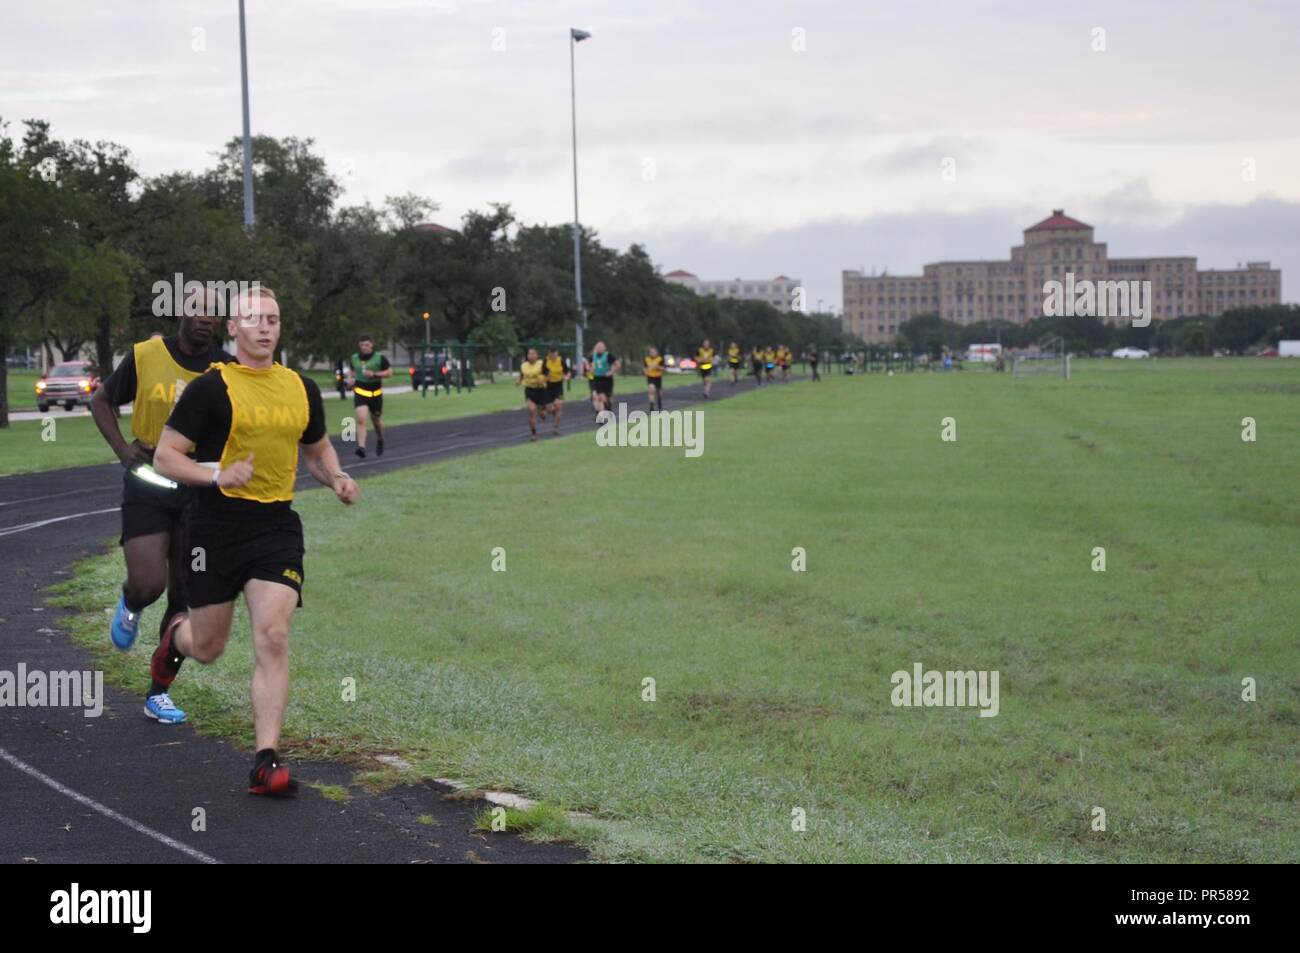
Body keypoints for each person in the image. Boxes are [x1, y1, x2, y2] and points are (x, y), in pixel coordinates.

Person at [152, 285, 360, 796]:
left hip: (274, 527)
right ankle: (174, 639)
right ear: (234, 328)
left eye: (273, 317)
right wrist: (218, 474)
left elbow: (316, 448)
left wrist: (335, 477)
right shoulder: (210, 389)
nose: (265, 326)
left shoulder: (301, 388)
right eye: (254, 318)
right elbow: (165, 458)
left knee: (273, 635)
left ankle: (266, 761)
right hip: (215, 529)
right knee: (209, 647)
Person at [89, 294, 233, 725]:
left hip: (201, 491)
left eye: (213, 313)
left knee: (185, 595)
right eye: (197, 310)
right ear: (181, 312)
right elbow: (100, 401)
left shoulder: (227, 369)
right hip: (149, 483)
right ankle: (131, 602)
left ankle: (158, 693)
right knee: (149, 583)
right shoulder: (146, 355)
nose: (204, 319)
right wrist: (121, 449)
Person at [347, 335, 391, 458]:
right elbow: (351, 371)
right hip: (360, 392)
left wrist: (374, 374)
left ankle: (380, 439)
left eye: (366, 345)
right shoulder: (354, 358)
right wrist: (350, 379)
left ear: (371, 344)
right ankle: (361, 447)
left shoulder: (379, 358)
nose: (364, 347)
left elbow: (389, 372)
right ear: (359, 346)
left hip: (375, 394)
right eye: (362, 345)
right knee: (361, 419)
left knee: (376, 420)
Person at [516, 347, 549, 441]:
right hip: (530, 390)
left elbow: (548, 376)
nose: (531, 356)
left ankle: (542, 411)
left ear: (537, 355)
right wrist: (518, 381)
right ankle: (534, 433)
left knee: (542, 413)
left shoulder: (542, 364)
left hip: (541, 390)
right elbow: (521, 376)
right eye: (529, 354)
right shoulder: (524, 366)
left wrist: (543, 380)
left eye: (533, 354)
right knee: (531, 411)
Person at [541, 345, 570, 434]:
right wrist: (545, 377)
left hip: (558, 385)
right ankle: (552, 411)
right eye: (551, 354)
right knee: (549, 409)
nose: (553, 356)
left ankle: (556, 428)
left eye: (555, 354)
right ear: (549, 354)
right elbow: (542, 373)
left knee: (558, 406)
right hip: (548, 386)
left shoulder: (561, 360)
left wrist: (566, 377)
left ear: (557, 353)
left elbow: (567, 372)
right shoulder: (545, 361)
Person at [588, 341, 620, 417]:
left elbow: (618, 365)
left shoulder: (608, 355)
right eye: (598, 347)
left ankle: (609, 407)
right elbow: (589, 365)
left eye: (600, 347)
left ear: (604, 348)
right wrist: (591, 369)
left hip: (607, 379)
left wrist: (611, 372)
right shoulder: (593, 356)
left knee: (608, 397)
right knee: (600, 397)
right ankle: (600, 416)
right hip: (597, 378)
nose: (599, 349)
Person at [644, 346, 665, 411]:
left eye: (654, 352)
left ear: (656, 352)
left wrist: (657, 367)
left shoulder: (660, 359)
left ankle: (659, 402)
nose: (652, 353)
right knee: (651, 389)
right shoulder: (646, 359)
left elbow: (663, 368)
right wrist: (645, 371)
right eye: (651, 352)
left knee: (658, 392)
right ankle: (651, 406)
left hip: (658, 377)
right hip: (650, 376)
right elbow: (645, 367)